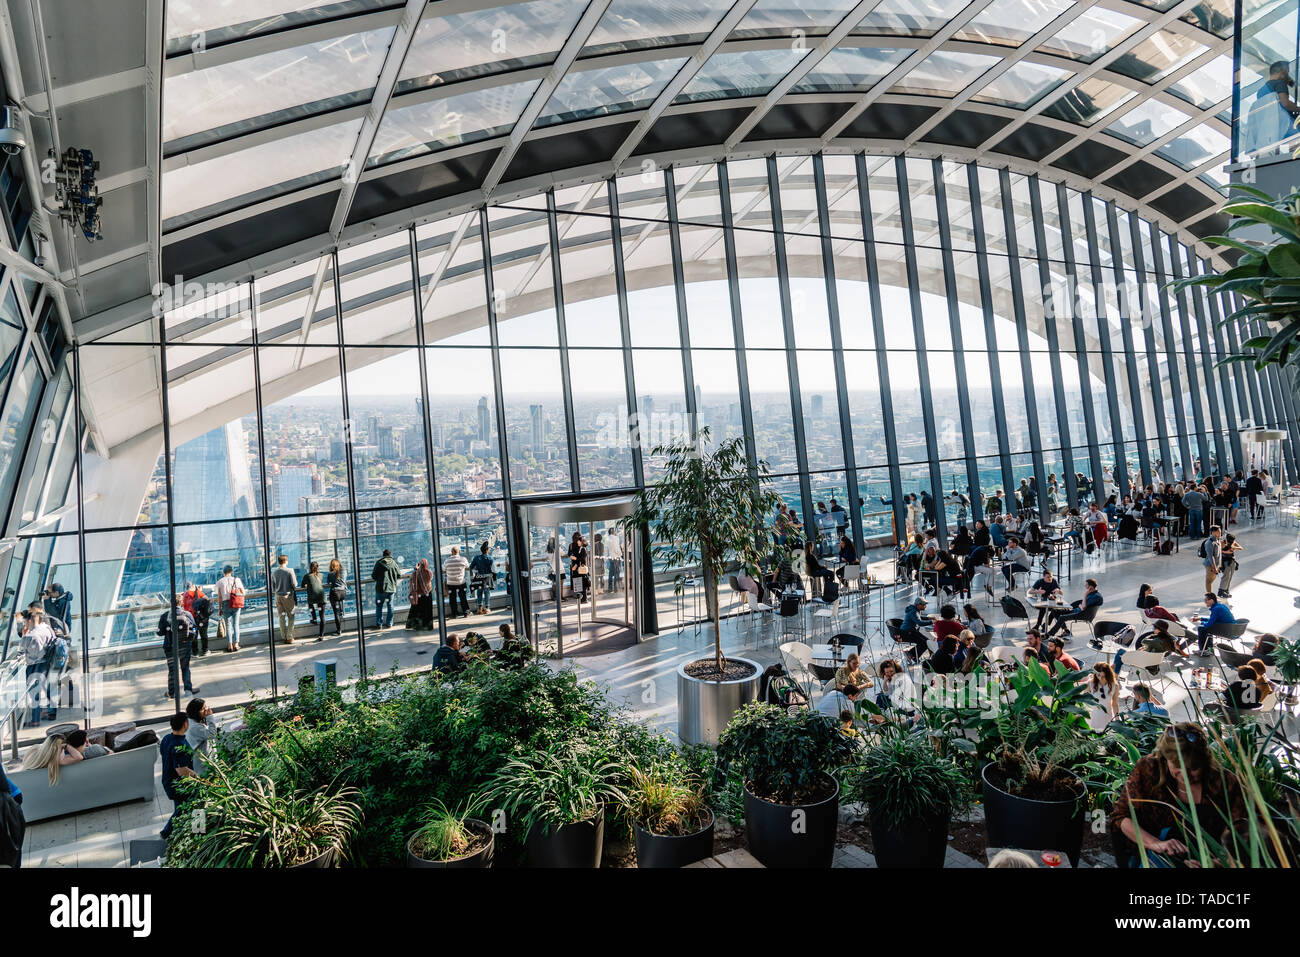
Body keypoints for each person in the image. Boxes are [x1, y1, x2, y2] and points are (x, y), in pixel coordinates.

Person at [1111, 723, 1246, 868]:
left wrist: (1218, 864)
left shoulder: (1225, 783)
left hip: (1208, 857)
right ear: (1165, 758)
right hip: (1156, 854)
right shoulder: (1149, 769)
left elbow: (1243, 836)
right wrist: (1156, 844)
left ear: (1204, 761)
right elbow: (1120, 817)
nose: (1185, 775)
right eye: (1176, 767)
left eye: (1193, 768)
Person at [160, 713, 197, 841]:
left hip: (168, 780)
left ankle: (183, 830)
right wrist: (197, 777)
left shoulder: (166, 739)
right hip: (179, 784)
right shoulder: (179, 746)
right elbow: (181, 770)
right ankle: (197, 831)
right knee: (191, 805)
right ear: (185, 724)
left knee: (180, 807)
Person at [158, 596, 199, 699]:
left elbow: (161, 632)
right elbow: (194, 629)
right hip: (185, 646)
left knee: (172, 670)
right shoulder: (187, 614)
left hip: (170, 647)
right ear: (181, 603)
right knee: (185, 668)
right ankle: (188, 690)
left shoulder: (165, 616)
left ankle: (172, 692)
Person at [19, 607, 54, 726]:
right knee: (48, 689)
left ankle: (35, 720)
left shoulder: (30, 636)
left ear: (29, 621)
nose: (24, 624)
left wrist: (24, 636)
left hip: (34, 666)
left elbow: (22, 651)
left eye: (24, 622)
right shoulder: (47, 629)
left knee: (34, 693)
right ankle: (51, 713)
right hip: (47, 663)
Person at [214, 565, 245, 652]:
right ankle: (236, 644)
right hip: (236, 603)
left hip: (225, 604)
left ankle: (229, 645)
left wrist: (219, 608)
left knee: (228, 625)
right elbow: (243, 592)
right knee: (236, 624)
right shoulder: (236, 580)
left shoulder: (220, 582)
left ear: (223, 572)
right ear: (231, 572)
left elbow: (219, 597)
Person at [271, 554, 298, 645]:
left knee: (281, 617)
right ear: (286, 561)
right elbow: (295, 584)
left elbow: (273, 588)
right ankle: (290, 637)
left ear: (279, 562)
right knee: (291, 616)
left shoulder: (274, 572)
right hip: (287, 597)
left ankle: (284, 637)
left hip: (278, 597)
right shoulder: (290, 571)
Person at [184, 697, 217, 773]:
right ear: (196, 711)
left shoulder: (192, 721)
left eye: (206, 707)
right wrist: (210, 717)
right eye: (203, 709)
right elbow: (212, 734)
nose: (206, 711)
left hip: (205, 760)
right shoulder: (194, 727)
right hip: (203, 765)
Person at [372, 549, 401, 628]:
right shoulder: (394, 563)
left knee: (379, 606)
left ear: (383, 555)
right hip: (391, 589)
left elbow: (373, 576)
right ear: (390, 555)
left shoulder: (379, 563)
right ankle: (389, 623)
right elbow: (399, 574)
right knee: (390, 605)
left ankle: (379, 624)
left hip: (380, 589)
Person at [1088, 662, 1119, 731]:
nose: (1101, 678)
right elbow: (1083, 700)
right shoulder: (1090, 684)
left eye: (1103, 676)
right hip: (1093, 716)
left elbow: (1115, 704)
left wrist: (1117, 719)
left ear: (1108, 675)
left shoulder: (1114, 686)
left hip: (1107, 716)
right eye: (1098, 675)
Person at [899, 597, 930, 661]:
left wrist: (929, 618)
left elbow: (918, 617)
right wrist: (932, 622)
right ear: (918, 604)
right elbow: (920, 623)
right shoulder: (913, 611)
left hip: (910, 631)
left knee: (927, 641)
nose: (925, 606)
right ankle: (912, 655)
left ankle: (911, 654)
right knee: (925, 643)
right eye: (924, 605)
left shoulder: (914, 609)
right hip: (907, 633)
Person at [470, 542, 495, 615]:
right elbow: (493, 569)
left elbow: (471, 567)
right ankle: (487, 608)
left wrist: (476, 571)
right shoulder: (490, 558)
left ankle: (479, 609)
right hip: (487, 577)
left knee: (479, 592)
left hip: (479, 577)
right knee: (487, 592)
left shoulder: (476, 558)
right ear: (487, 550)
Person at [303, 562, 327, 640]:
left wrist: (308, 585)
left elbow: (302, 585)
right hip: (321, 596)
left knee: (310, 604)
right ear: (318, 567)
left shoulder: (307, 576)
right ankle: (321, 635)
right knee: (322, 616)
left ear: (310, 568)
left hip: (312, 597)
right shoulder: (321, 575)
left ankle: (314, 619)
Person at [409, 558, 434, 630]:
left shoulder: (416, 573)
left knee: (420, 610)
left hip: (419, 594)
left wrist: (416, 569)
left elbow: (412, 579)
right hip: (428, 593)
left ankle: (419, 626)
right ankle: (428, 626)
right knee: (428, 610)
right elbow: (430, 579)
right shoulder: (429, 572)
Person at [325, 558, 347, 637]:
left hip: (335, 593)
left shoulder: (330, 574)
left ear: (332, 566)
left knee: (336, 613)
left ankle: (338, 631)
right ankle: (341, 612)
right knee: (339, 609)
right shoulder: (344, 571)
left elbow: (328, 582)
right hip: (343, 593)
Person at [1217, 533, 1242, 598]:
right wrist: (1226, 552)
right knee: (1226, 576)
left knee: (1230, 576)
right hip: (1225, 561)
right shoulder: (1222, 542)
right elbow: (1218, 551)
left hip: (1232, 560)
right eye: (1229, 541)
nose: (1230, 542)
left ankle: (1226, 590)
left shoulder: (1233, 542)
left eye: (1232, 541)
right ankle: (1221, 590)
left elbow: (1241, 548)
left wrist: (1234, 547)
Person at [1200, 525, 1222, 595]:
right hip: (1210, 565)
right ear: (1213, 532)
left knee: (1212, 579)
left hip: (1216, 564)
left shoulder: (1217, 540)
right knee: (1209, 580)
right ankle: (1209, 595)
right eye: (1218, 531)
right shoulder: (1209, 542)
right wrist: (1214, 566)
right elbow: (1210, 556)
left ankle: (1209, 594)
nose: (1220, 532)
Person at [568, 532, 590, 602]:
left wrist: (575, 560)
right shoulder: (580, 548)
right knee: (581, 582)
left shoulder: (581, 548)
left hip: (578, 566)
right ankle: (582, 597)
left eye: (578, 540)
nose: (577, 541)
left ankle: (582, 597)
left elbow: (581, 558)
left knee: (580, 582)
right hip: (579, 565)